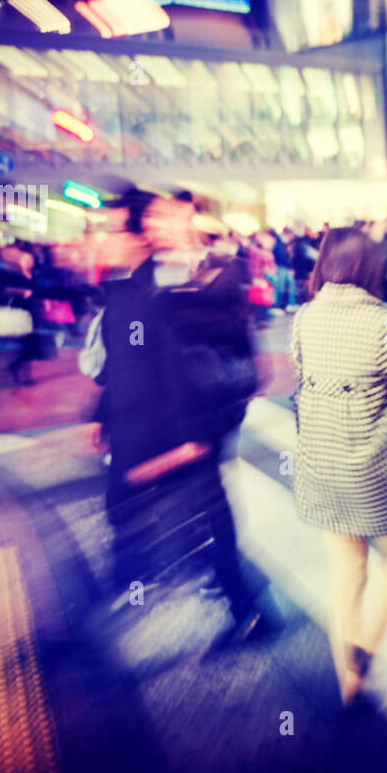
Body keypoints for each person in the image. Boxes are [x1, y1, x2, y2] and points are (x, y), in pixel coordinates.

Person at [95, 189, 274, 647]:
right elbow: (121, 360)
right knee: (132, 514)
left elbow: (184, 365)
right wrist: (97, 413)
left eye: (114, 229)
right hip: (138, 428)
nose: (103, 238)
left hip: (178, 431)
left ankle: (244, 607)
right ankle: (128, 599)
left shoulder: (187, 280)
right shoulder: (126, 286)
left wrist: (192, 437)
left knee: (207, 515)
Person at [289, 227, 387, 705]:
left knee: (346, 572)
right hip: (373, 472)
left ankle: (347, 681)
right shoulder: (385, 322)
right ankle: (365, 647)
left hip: (320, 465)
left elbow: (299, 371)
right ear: (373, 268)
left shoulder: (305, 317)